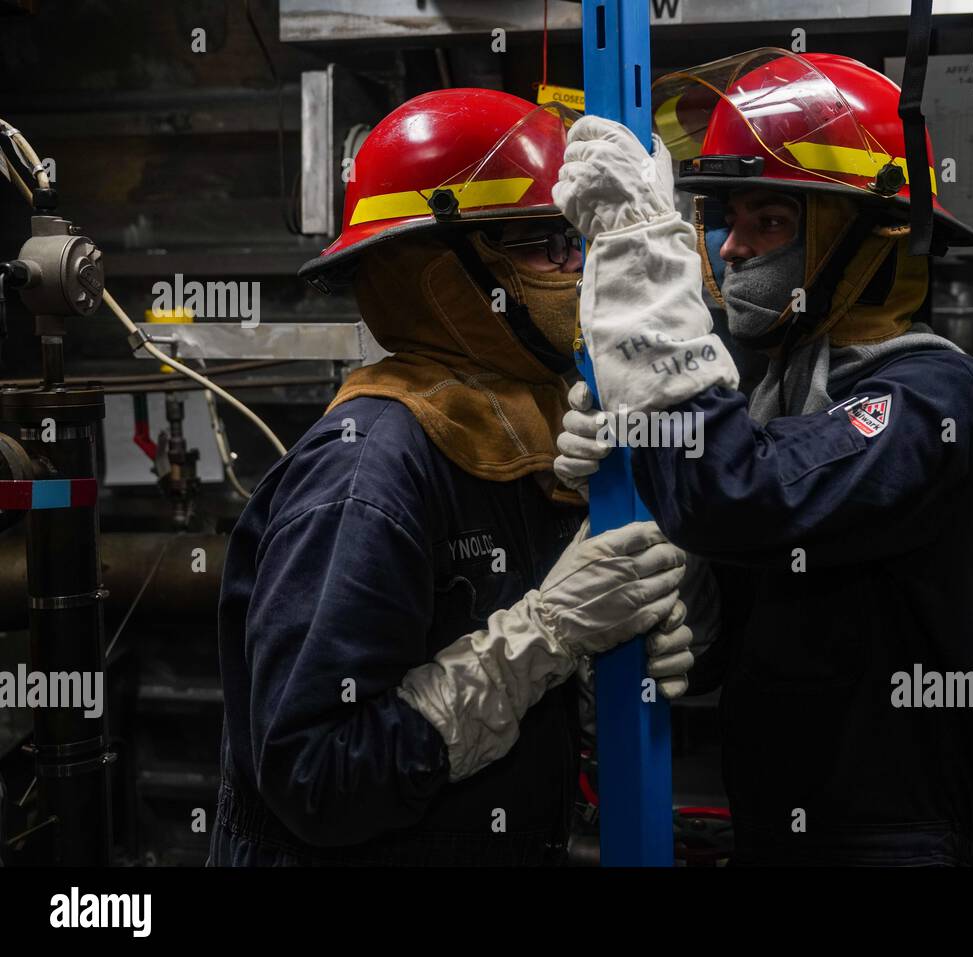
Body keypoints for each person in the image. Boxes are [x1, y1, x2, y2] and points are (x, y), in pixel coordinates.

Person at [553, 51, 973, 866]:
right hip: (782, 826)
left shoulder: (934, 397)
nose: (729, 250)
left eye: (769, 221)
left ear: (871, 241)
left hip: (894, 845)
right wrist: (653, 497)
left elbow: (741, 493)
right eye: (729, 221)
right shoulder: (789, 388)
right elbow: (749, 597)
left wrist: (641, 281)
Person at [209, 89, 694, 867]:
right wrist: (545, 636)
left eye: (579, 246)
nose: (579, 275)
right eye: (548, 248)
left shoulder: (523, 431)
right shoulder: (369, 470)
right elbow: (316, 775)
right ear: (443, 278)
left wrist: (613, 658)